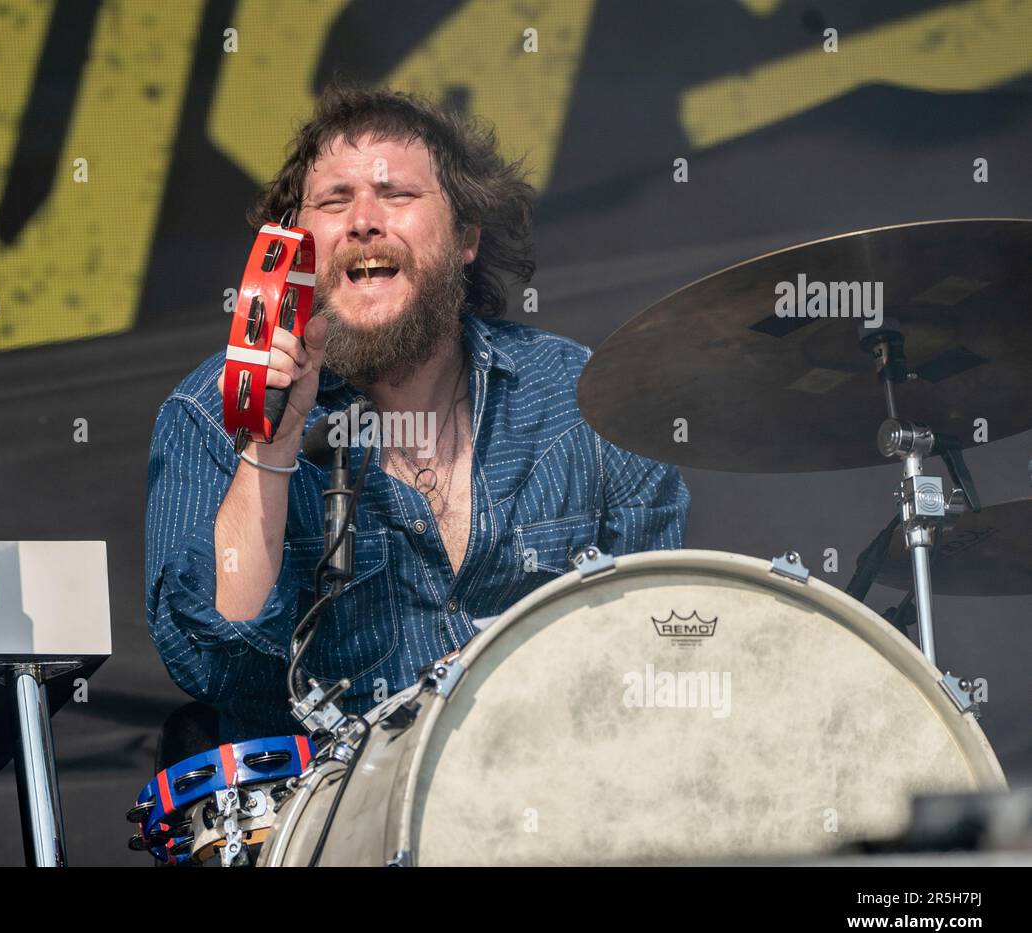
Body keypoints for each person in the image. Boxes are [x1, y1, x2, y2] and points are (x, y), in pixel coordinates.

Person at [146, 83, 689, 743]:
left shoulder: (587, 399)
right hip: (337, 821)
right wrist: (272, 445)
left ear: (465, 237)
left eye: (396, 194)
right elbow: (218, 665)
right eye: (334, 200)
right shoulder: (210, 415)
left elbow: (663, 645)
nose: (364, 220)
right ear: (295, 249)